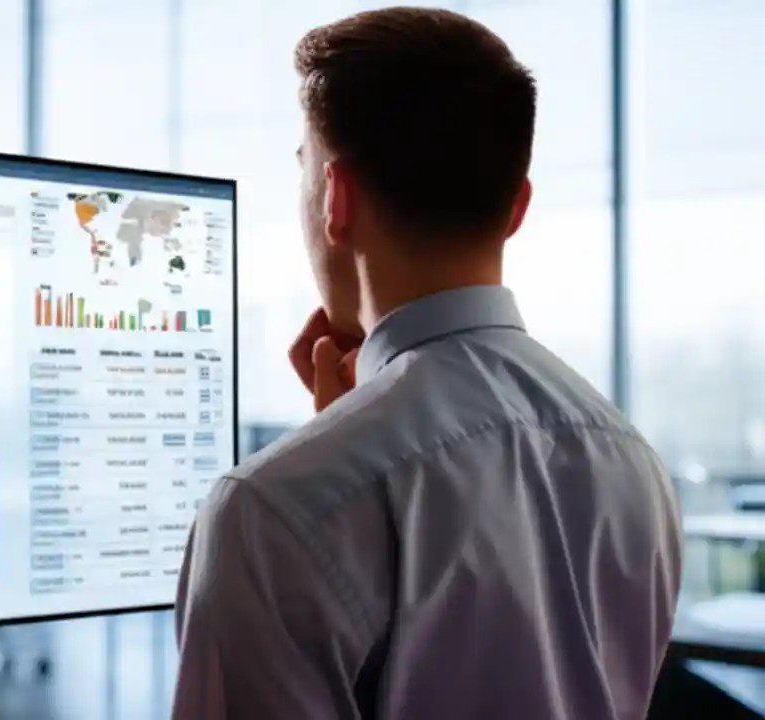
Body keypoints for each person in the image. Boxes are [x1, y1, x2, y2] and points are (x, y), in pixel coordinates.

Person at [172, 8, 682, 719]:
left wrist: (332, 459)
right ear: (516, 208)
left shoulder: (270, 513)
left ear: (336, 200)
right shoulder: (632, 460)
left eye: (304, 171)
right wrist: (345, 435)